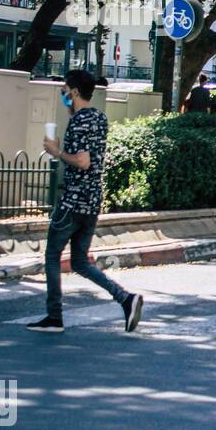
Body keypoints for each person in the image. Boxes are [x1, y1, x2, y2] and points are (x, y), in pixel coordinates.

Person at [27, 70, 144, 333]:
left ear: (75, 92)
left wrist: (57, 152)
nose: (64, 96)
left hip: (73, 201)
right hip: (91, 201)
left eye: (65, 91)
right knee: (79, 261)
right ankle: (126, 299)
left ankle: (54, 317)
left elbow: (82, 161)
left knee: (52, 256)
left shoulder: (79, 121)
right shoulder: (99, 118)